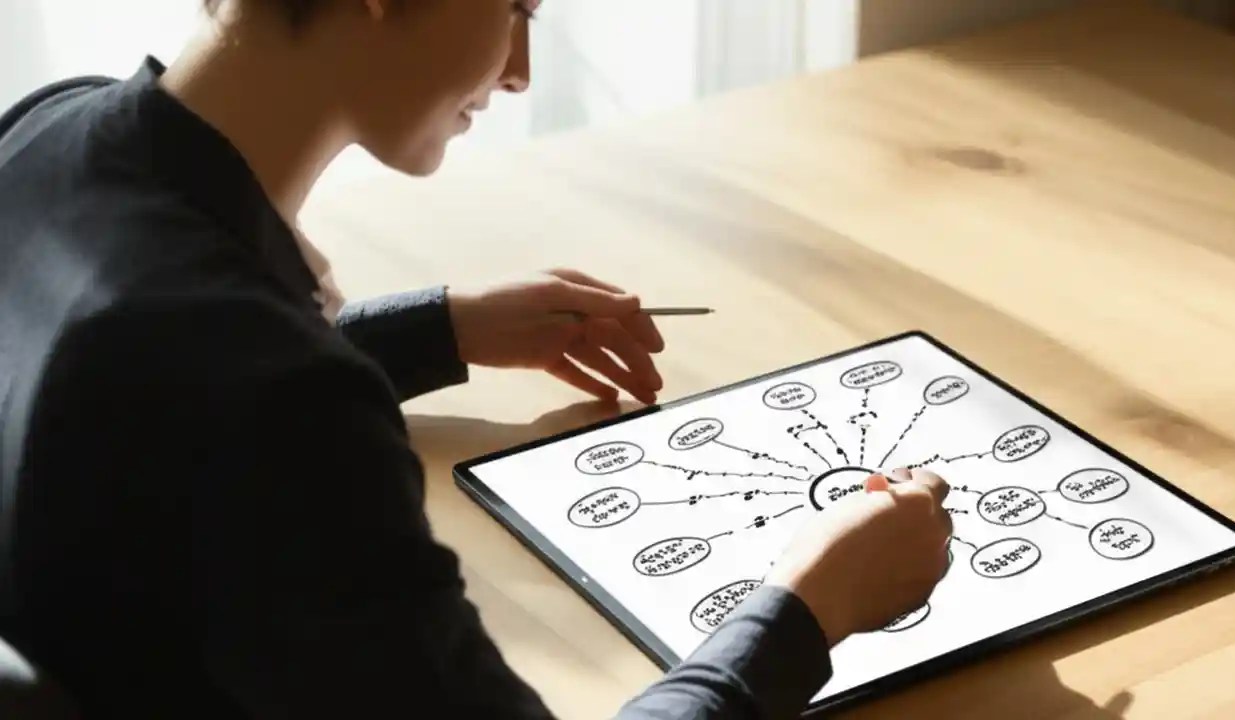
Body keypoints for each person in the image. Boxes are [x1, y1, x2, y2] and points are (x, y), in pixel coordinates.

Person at [0, 1, 953, 717]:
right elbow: (252, 405)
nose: (521, 71)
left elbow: (156, 398)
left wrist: (438, 329)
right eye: (517, 8)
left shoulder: (48, 132)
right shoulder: (279, 403)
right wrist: (807, 606)